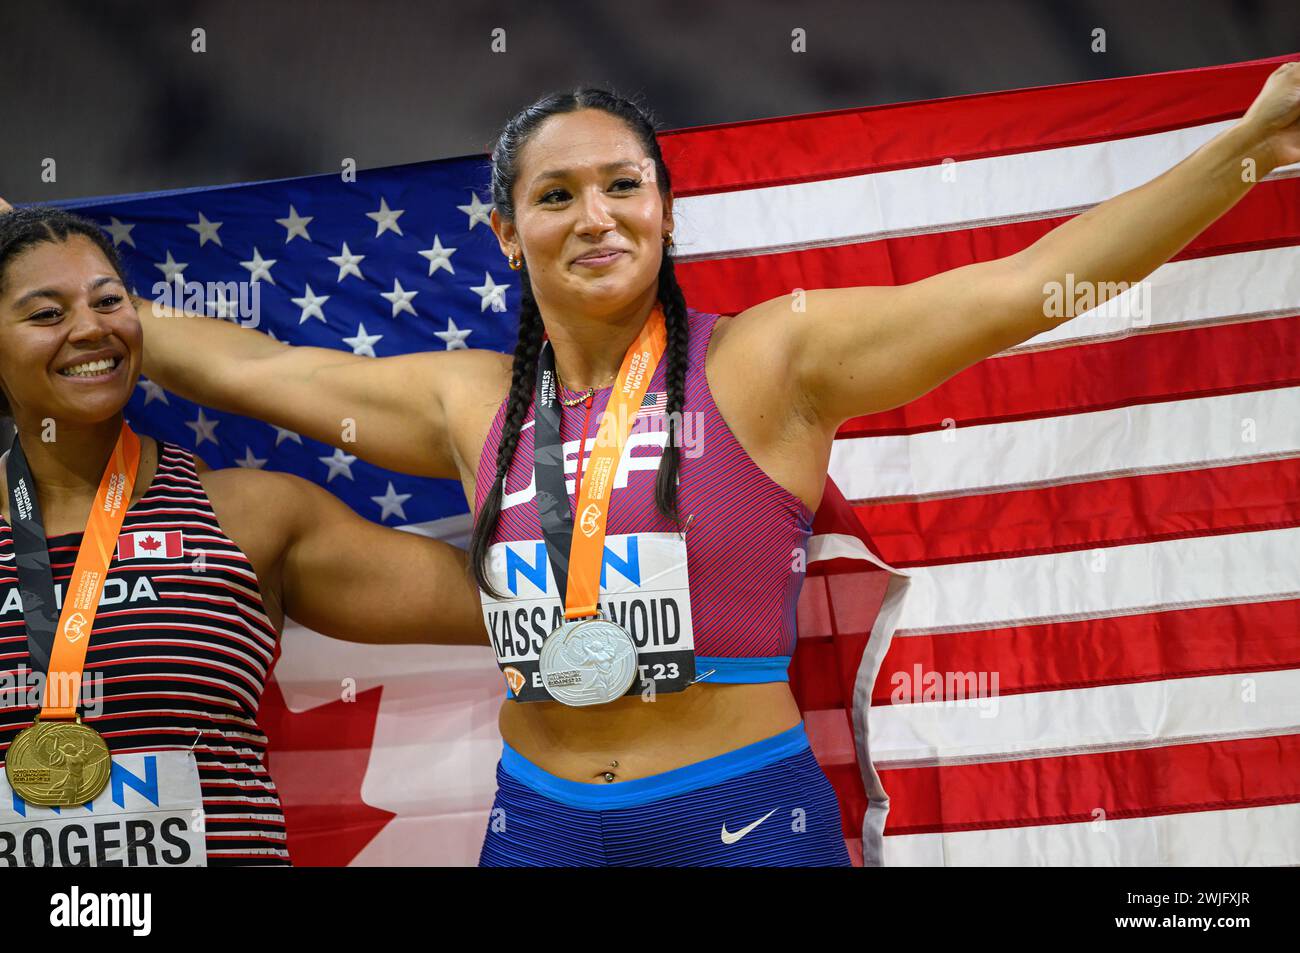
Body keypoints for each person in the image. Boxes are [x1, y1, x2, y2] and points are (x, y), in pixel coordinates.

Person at [126, 66, 1299, 865]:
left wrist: (1244, 152)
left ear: (667, 212)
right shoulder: (468, 396)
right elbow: (255, 370)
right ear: (505, 229)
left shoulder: (771, 361)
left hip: (736, 813)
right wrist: (49, 274)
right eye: (556, 194)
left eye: (623, 186)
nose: (595, 216)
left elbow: (1011, 296)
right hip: (538, 821)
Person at [0, 205, 487, 866]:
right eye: (46, 313)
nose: (88, 328)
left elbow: (529, 606)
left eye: (108, 300)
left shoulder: (249, 515)